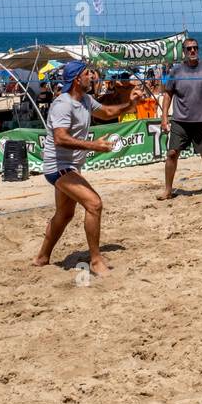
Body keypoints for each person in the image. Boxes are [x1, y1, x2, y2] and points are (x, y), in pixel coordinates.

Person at [32, 62, 142, 276]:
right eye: (87, 74)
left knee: (64, 214)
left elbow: (108, 112)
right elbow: (60, 138)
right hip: (58, 167)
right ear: (76, 80)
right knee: (94, 204)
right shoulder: (63, 105)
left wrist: (130, 104)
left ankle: (42, 257)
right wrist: (95, 146)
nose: (92, 77)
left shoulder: (85, 100)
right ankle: (95, 260)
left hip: (70, 166)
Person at [158, 37, 202, 200]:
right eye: (189, 48)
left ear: (198, 49)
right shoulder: (176, 71)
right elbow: (168, 94)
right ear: (184, 51)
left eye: (195, 47)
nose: (192, 51)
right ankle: (168, 190)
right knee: (172, 154)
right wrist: (164, 117)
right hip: (180, 121)